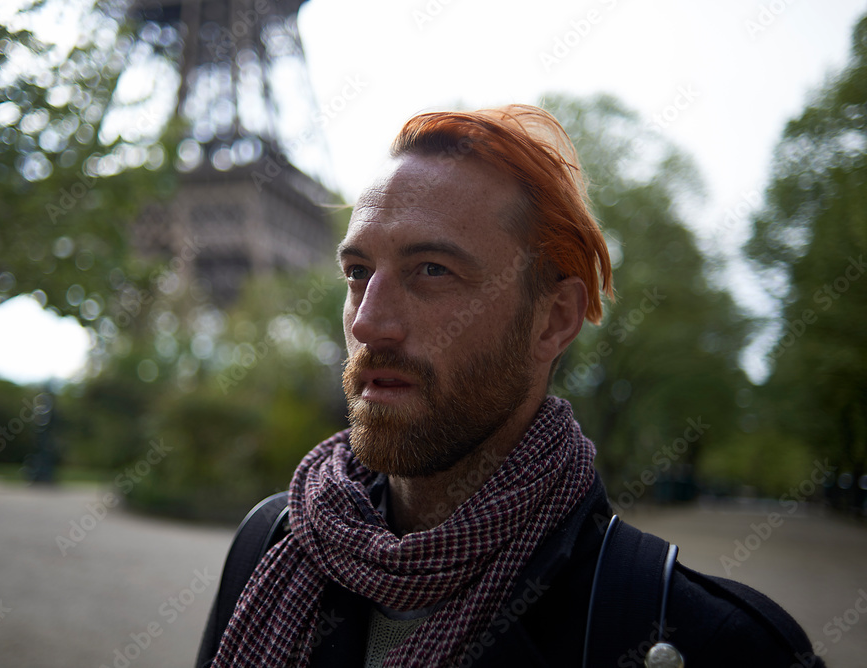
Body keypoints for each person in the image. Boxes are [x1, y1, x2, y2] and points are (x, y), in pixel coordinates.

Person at [198, 105, 823, 667]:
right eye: (358, 272)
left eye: (433, 270)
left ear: (552, 320)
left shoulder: (711, 644)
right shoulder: (269, 546)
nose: (367, 322)